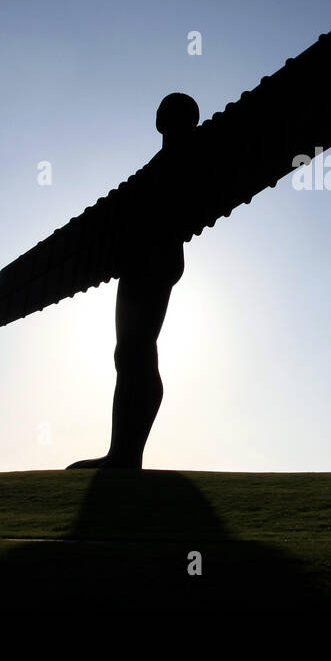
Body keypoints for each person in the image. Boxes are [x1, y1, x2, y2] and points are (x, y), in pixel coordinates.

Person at [67, 93, 199, 470]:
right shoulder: (158, 165)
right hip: (139, 258)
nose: (160, 116)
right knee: (129, 352)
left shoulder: (190, 156)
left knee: (136, 349)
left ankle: (126, 455)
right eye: (161, 110)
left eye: (169, 110)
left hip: (156, 257)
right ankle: (122, 451)